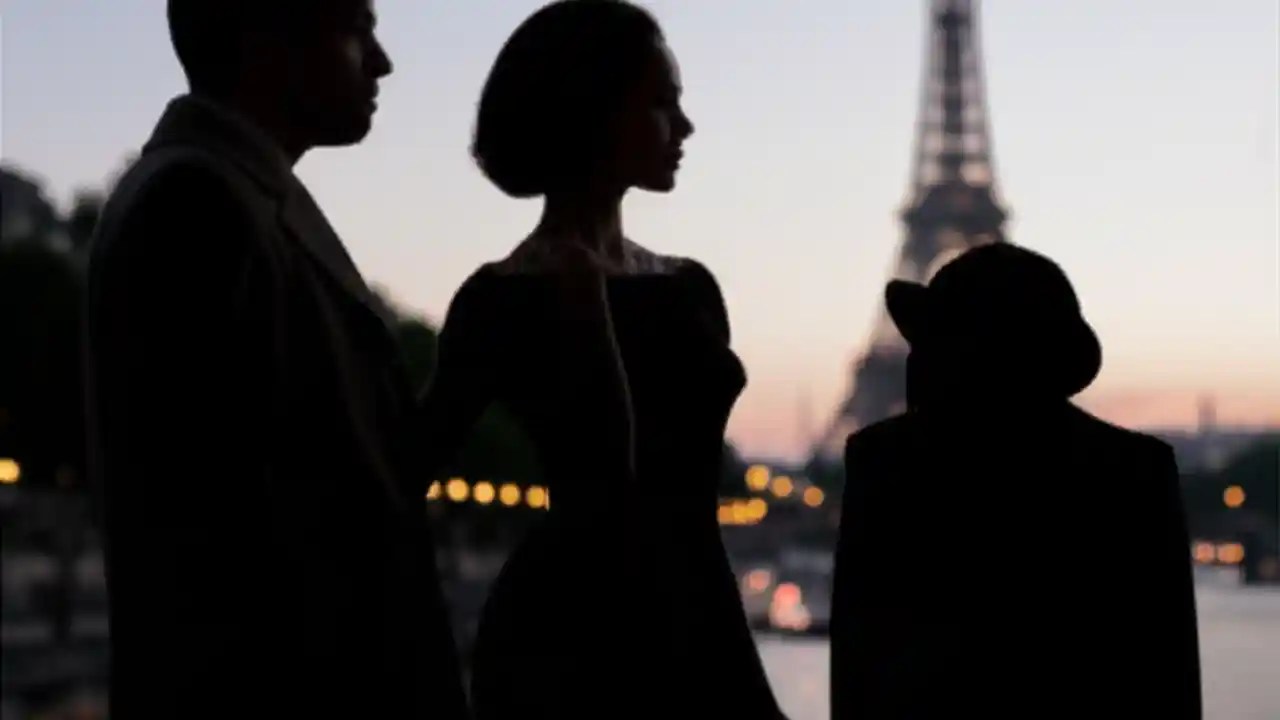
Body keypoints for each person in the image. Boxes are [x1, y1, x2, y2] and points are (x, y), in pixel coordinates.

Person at [83, 1, 468, 717]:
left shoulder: (217, 194)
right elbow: (253, 531)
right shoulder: (199, 204)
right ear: (268, 40)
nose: (382, 61)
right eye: (357, 28)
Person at [418, 1, 784, 717]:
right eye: (662, 104)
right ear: (595, 113)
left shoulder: (685, 286)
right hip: (577, 638)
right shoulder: (509, 298)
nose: (685, 127)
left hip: (679, 608)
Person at [831, 243, 1202, 718]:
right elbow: (1170, 673)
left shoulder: (881, 459)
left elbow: (858, 665)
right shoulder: (1138, 468)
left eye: (929, 343)